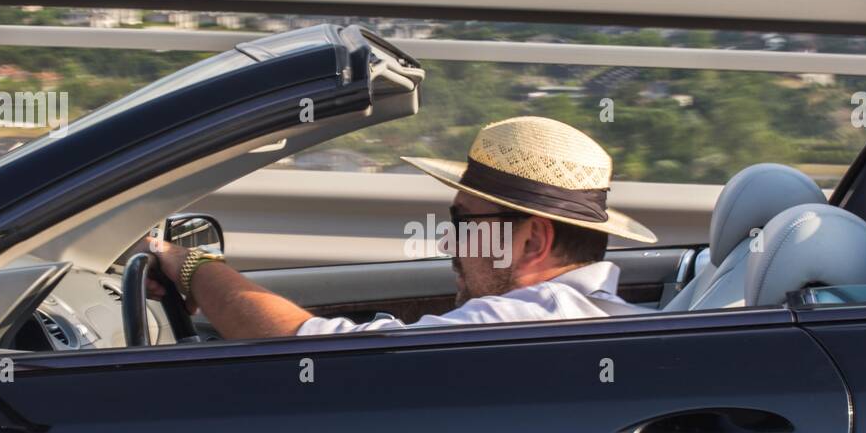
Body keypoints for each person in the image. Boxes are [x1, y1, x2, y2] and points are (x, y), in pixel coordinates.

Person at [146, 116, 657, 339]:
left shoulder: (515, 323)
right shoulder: (598, 313)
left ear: (532, 240)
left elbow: (308, 348)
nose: (450, 241)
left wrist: (189, 264)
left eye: (463, 221)